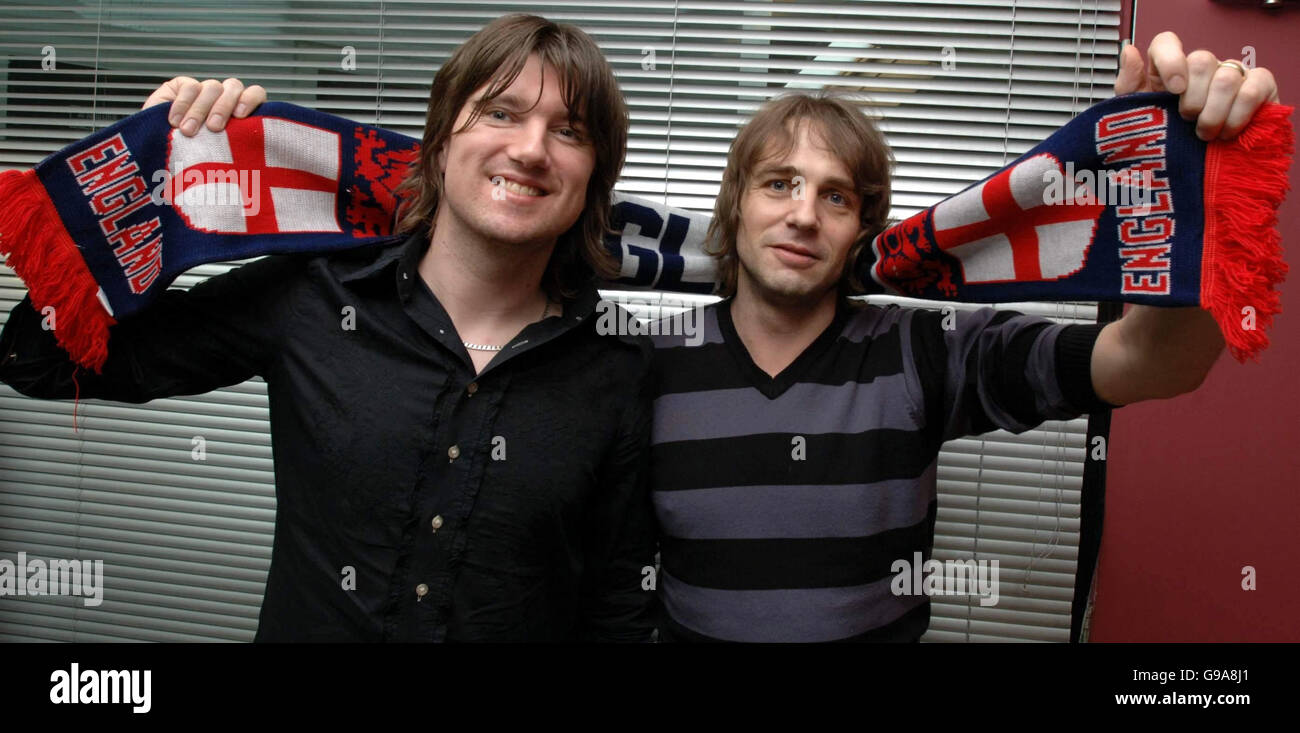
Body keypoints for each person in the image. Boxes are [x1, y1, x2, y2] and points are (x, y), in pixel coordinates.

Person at [0, 14, 658, 642]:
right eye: (501, 112)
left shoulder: (620, 366)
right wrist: (154, 193)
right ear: (438, 140)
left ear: (593, 177)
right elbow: (41, 359)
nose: (530, 149)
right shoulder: (311, 296)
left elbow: (618, 610)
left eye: (569, 131)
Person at [647, 33, 1282, 642]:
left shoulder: (926, 347)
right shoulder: (646, 359)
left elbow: (1150, 363)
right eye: (779, 183)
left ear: (863, 230)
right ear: (735, 205)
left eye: (835, 197)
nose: (804, 215)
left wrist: (1181, 182)